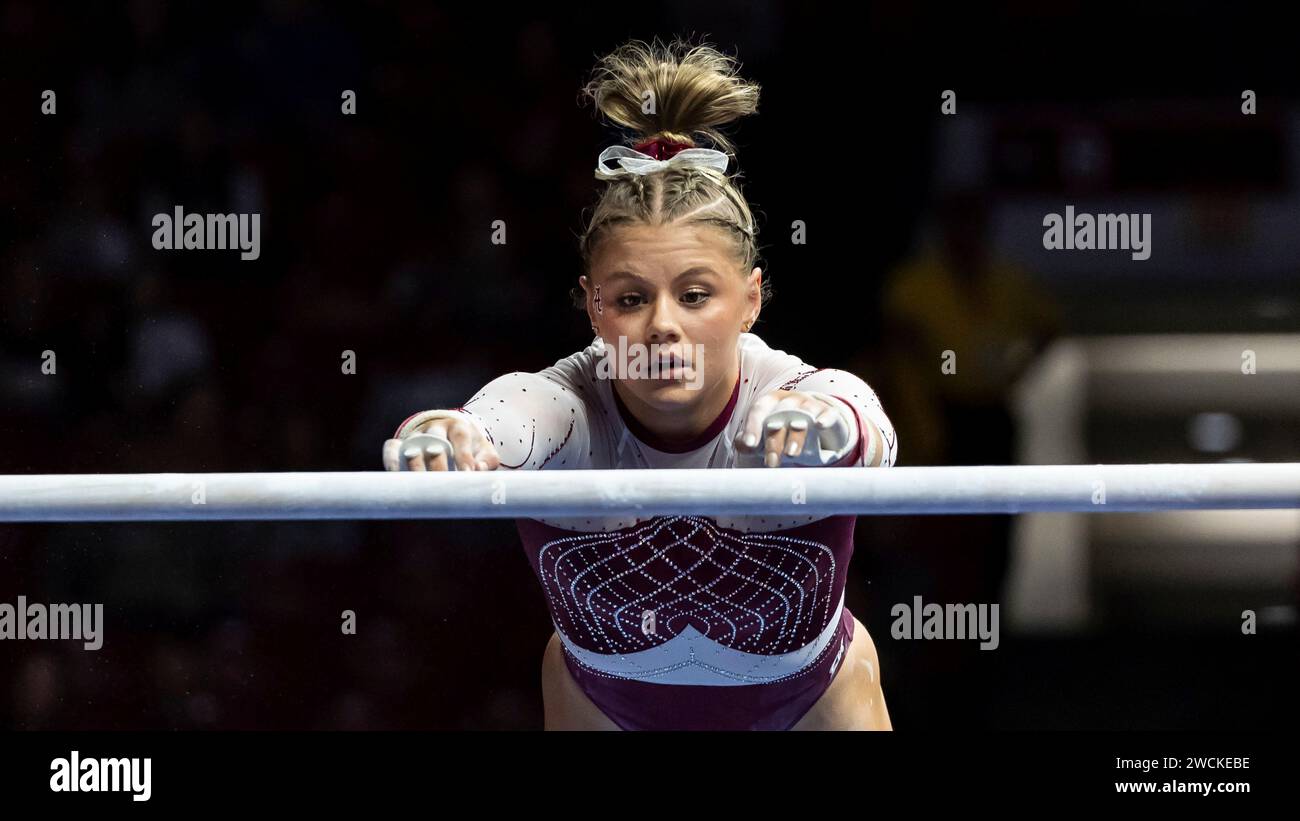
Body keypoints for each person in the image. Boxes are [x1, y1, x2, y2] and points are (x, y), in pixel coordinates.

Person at [383, 38, 897, 730]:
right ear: (593, 305)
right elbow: (511, 414)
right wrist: (456, 433)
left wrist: (838, 430)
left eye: (694, 294)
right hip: (605, 710)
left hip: (812, 706)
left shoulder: (789, 400)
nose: (662, 326)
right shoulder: (568, 407)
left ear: (751, 300)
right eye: (630, 299)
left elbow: (861, 418)